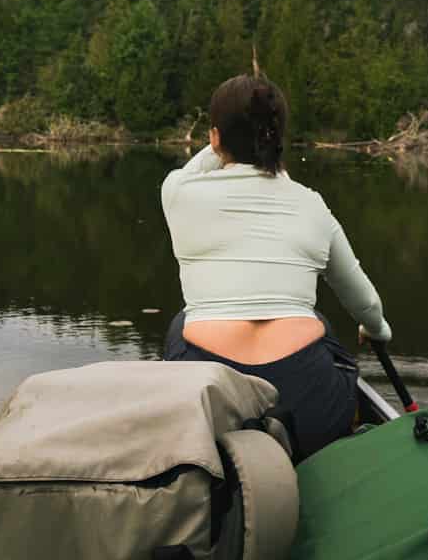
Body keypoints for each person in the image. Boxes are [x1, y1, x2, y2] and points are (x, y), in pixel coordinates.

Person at [160, 72, 392, 458]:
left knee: (182, 321)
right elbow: (364, 302)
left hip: (209, 397)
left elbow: (197, 167)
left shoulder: (177, 192)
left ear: (215, 138)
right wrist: (376, 329)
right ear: (277, 137)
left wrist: (223, 142)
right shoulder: (312, 205)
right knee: (317, 320)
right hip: (308, 406)